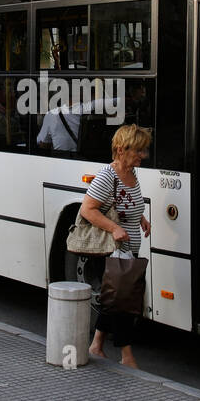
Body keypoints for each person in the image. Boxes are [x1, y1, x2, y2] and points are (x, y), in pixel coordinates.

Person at [78, 124, 152, 369]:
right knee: (122, 303)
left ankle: (96, 345)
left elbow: (127, 202)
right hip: (112, 250)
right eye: (138, 151)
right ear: (121, 150)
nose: (143, 155)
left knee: (114, 300)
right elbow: (87, 209)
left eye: (144, 151)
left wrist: (139, 217)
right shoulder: (108, 176)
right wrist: (114, 228)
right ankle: (127, 356)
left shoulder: (131, 173)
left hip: (128, 248)